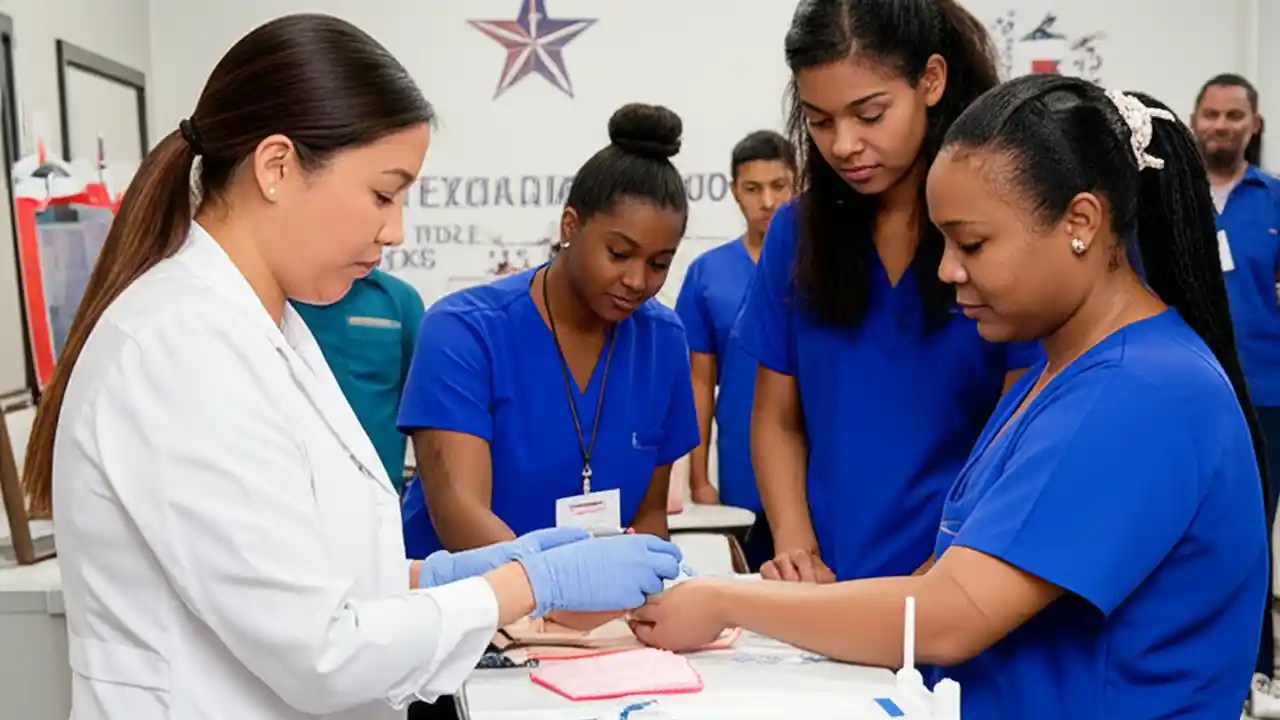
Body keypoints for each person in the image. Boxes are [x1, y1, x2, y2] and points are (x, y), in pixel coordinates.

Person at [20, 15, 682, 719]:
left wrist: (437, 576)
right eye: (382, 194)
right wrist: (528, 581)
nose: (395, 230)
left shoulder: (263, 329)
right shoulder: (179, 348)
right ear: (276, 168)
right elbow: (319, 650)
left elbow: (300, 579)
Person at [632, 75, 1272, 719]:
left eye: (972, 244)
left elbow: (951, 615)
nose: (946, 270)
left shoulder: (1142, 393)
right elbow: (941, 583)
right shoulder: (1063, 373)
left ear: (1081, 222)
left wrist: (726, 602)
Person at [738, 0, 1039, 585]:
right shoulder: (797, 234)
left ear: (931, 80)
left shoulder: (1003, 234)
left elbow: (1021, 438)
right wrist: (797, 548)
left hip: (963, 581)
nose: (844, 144)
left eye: (869, 114)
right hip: (826, 586)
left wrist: (945, 575)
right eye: (820, 121)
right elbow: (776, 419)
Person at [397, 103, 699, 622]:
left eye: (659, 264)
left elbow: (648, 515)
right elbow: (459, 515)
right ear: (570, 225)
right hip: (453, 622)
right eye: (619, 253)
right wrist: (559, 596)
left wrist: (643, 603)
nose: (637, 280)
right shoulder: (464, 331)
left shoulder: (662, 340)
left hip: (590, 631)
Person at [1191, 72, 1280, 682]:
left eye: (1233, 115)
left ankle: (1257, 670)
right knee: (1195, 536)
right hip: (1190, 397)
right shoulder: (1169, 198)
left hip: (1268, 397)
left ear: (1255, 126)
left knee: (1253, 536)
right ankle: (1197, 665)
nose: (1221, 125)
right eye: (1211, 114)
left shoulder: (1274, 201)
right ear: (1194, 121)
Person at [674, 130, 795, 570]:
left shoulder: (828, 269)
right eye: (753, 189)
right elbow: (699, 382)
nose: (767, 201)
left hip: (822, 470)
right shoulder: (708, 274)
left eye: (778, 186)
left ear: (797, 184)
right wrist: (699, 478)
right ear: (734, 193)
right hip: (742, 474)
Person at [293, 268, 425, 492]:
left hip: (377, 496)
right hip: (287, 487)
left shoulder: (399, 299)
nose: (390, 237)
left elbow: (423, 409)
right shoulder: (271, 297)